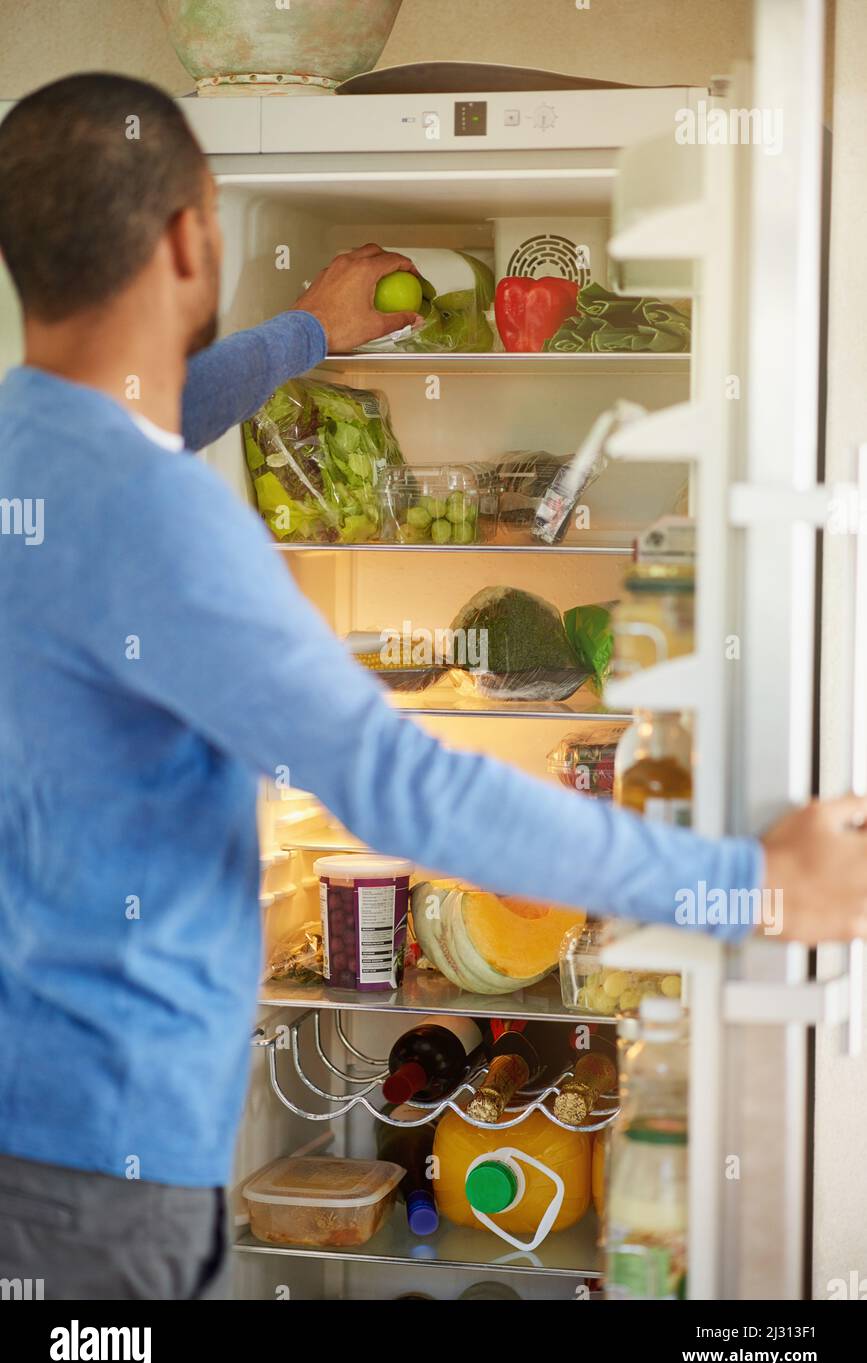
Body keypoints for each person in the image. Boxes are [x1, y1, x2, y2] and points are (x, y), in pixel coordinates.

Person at [0, 73, 864, 1301]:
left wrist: (304, 336)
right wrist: (757, 886)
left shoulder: (31, 453)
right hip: (100, 1172)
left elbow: (145, 418)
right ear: (194, 239)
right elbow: (401, 785)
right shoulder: (158, 519)